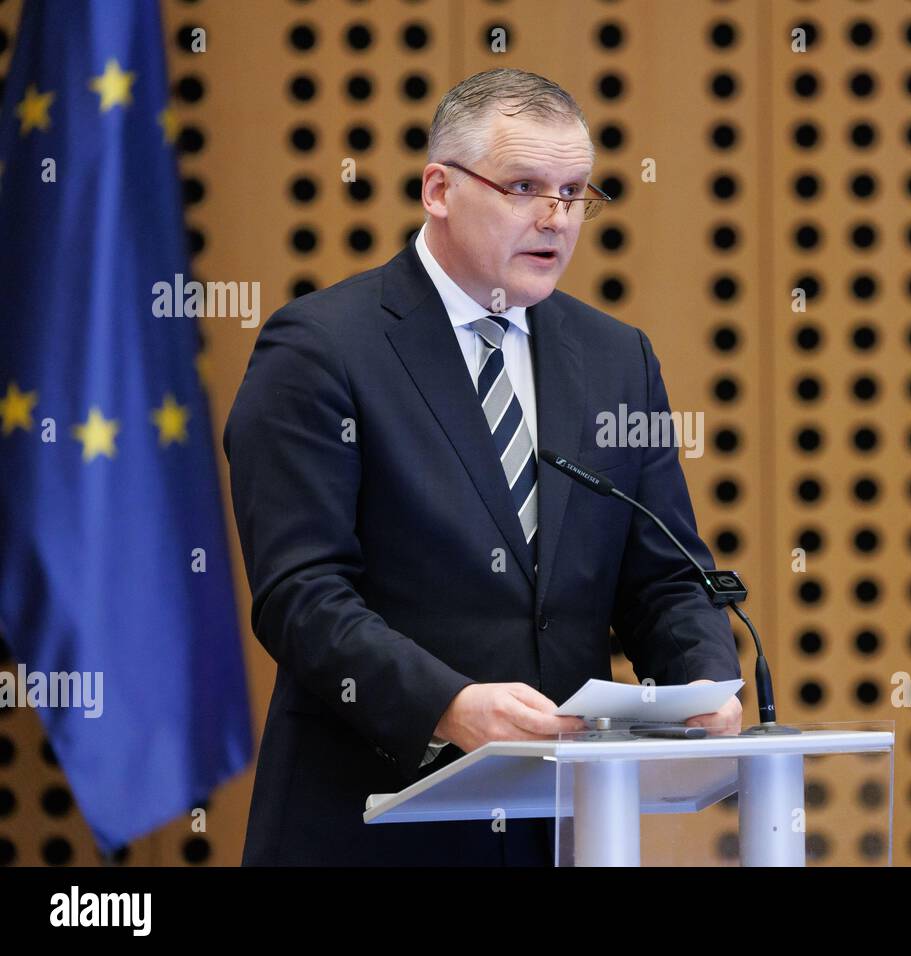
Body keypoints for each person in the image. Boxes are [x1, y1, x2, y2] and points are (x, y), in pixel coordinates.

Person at [224, 68, 742, 865]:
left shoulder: (616, 360)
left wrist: (705, 685)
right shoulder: (322, 350)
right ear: (438, 189)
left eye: (575, 192)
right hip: (373, 823)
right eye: (525, 186)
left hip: (564, 828)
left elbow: (667, 578)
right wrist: (449, 704)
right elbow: (301, 595)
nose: (556, 218)